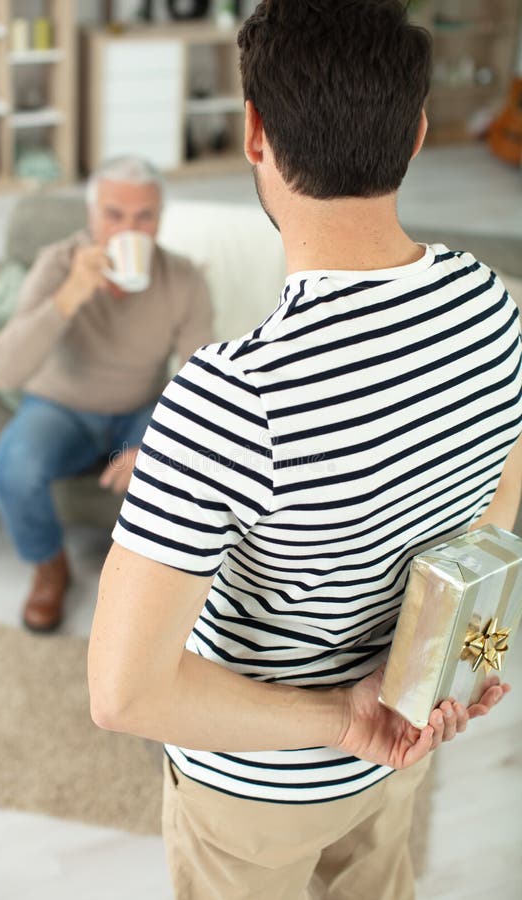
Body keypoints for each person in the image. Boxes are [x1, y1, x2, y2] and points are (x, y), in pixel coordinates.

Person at [88, 4, 521, 899]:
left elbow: (124, 694)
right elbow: (500, 488)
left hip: (262, 792)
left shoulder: (228, 398)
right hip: (403, 749)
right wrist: (436, 663)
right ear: (416, 133)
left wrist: (343, 718)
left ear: (254, 131)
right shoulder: (490, 305)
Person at [0, 156, 213, 633]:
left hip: (139, 407)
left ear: (159, 220)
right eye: (114, 215)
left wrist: (155, 446)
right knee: (13, 467)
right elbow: (5, 370)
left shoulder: (184, 278)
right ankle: (50, 567)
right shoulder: (57, 264)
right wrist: (70, 294)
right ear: (91, 216)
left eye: (144, 217)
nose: (128, 229)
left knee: (180, 470)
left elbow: (200, 384)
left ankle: (154, 582)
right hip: (59, 406)